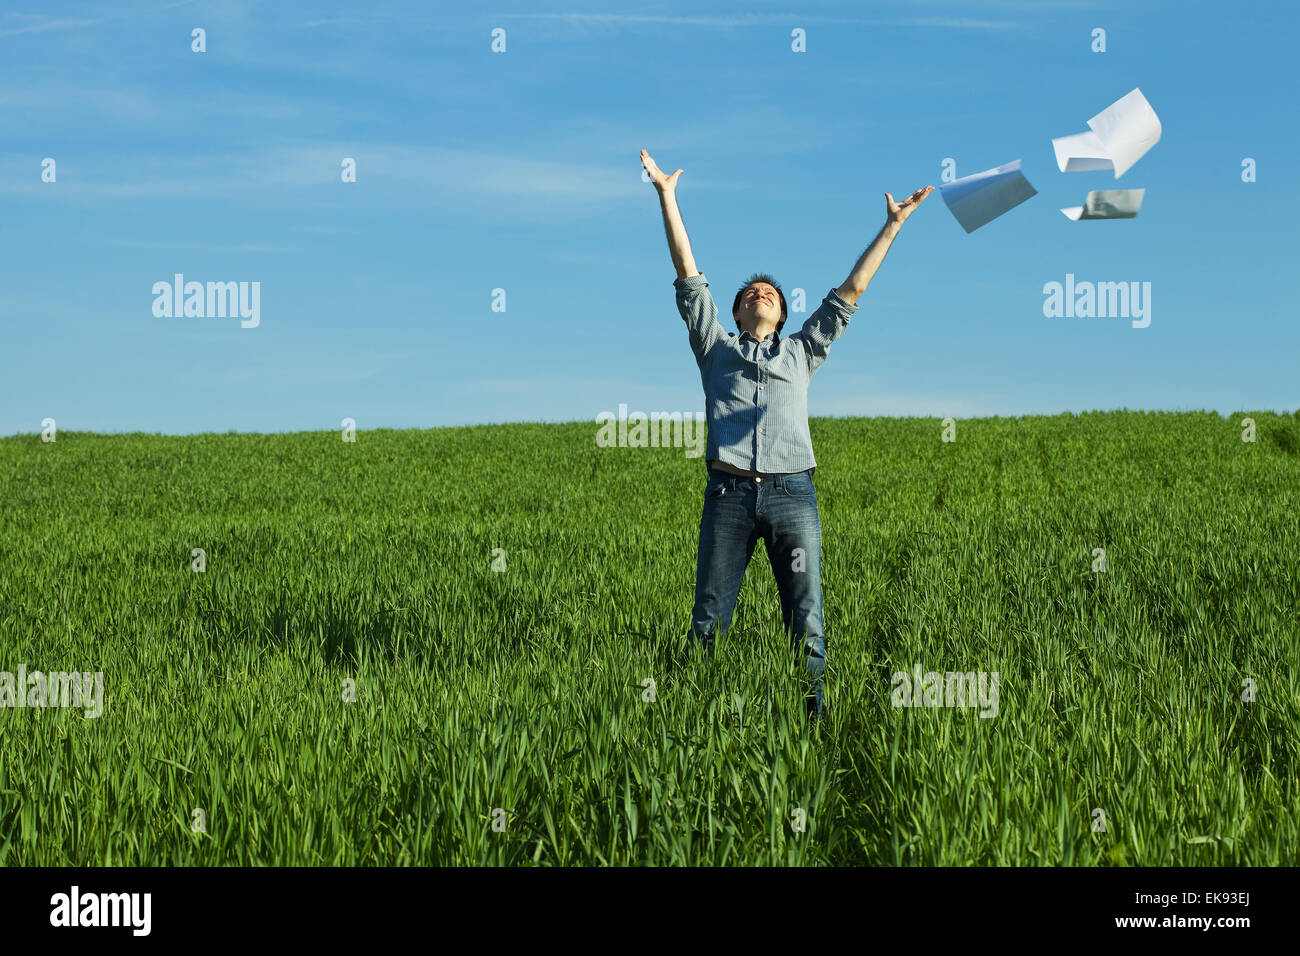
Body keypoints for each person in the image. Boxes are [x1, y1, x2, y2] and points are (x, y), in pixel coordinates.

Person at [640, 148, 932, 720]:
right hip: (728, 496)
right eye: (750, 293)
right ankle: (692, 727)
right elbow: (688, 276)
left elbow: (850, 293)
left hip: (791, 494)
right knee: (708, 620)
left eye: (770, 294)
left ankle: (812, 725)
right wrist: (667, 196)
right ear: (735, 312)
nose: (760, 295)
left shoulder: (801, 351)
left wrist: (893, 225)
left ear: (782, 314)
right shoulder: (715, 348)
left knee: (806, 620)